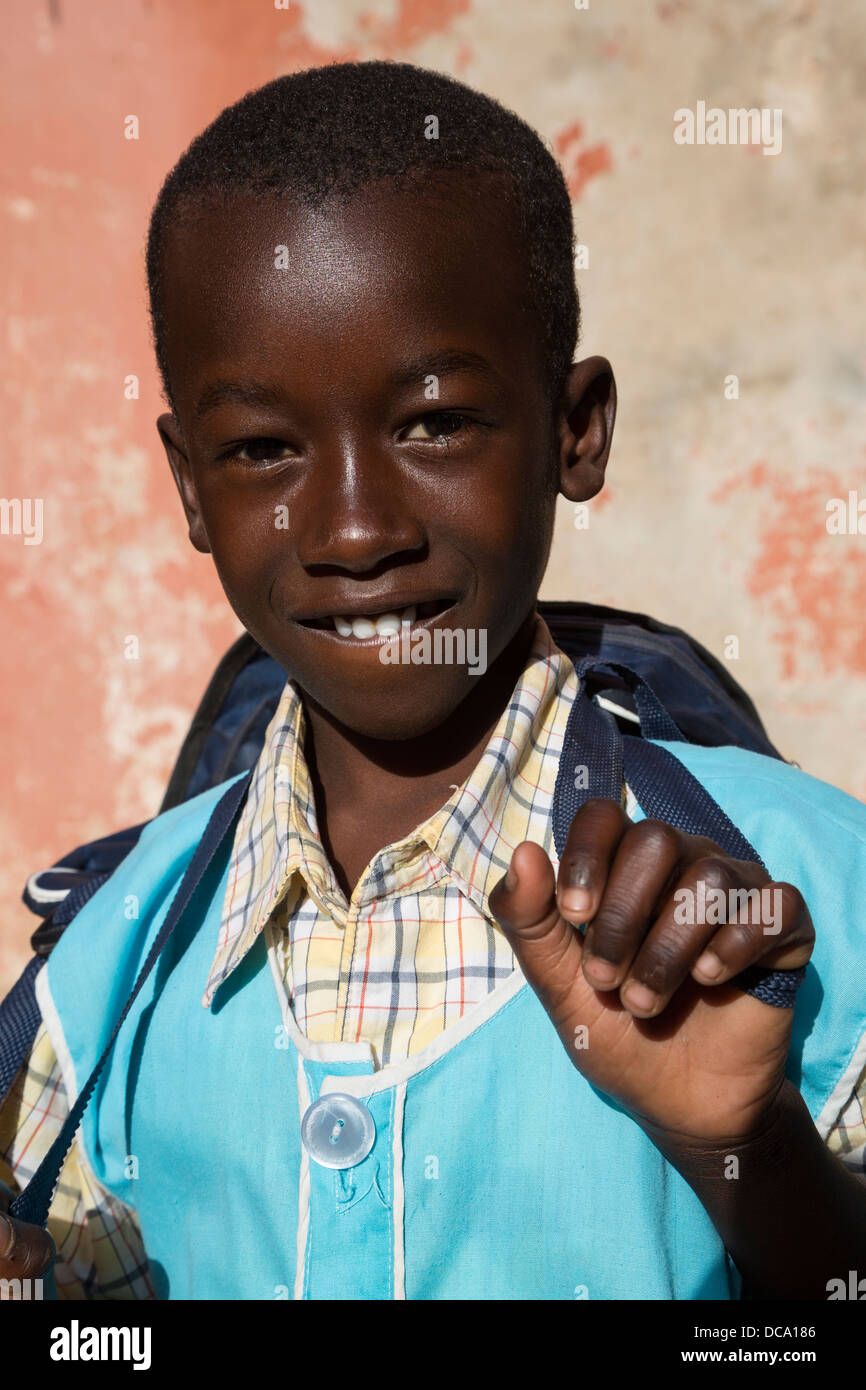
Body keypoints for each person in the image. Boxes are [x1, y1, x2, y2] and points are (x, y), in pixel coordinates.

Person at [2, 60, 865, 1301]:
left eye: (434, 424)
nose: (355, 529)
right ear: (192, 488)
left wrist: (748, 1151)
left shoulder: (801, 899)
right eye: (261, 449)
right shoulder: (104, 972)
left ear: (575, 432)